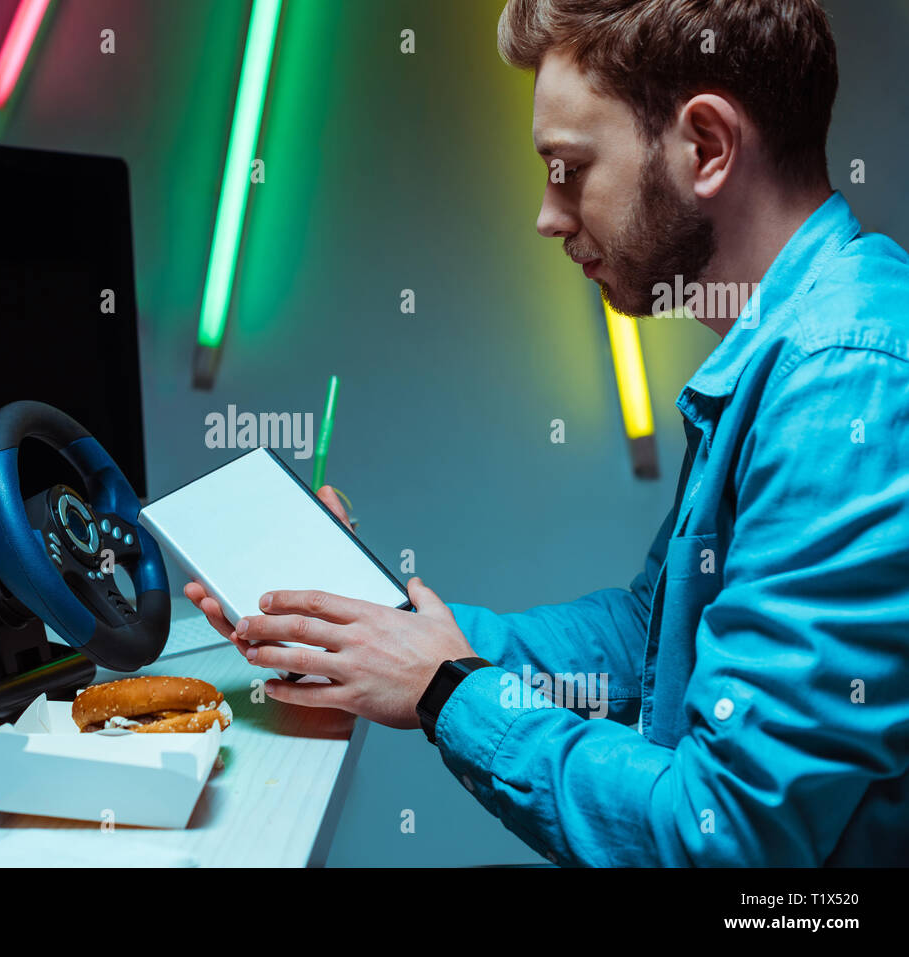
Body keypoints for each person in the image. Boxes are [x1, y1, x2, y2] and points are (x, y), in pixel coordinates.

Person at [185, 0, 909, 866]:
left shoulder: (844, 375)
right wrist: (379, 629)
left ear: (707, 147)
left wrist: (446, 691)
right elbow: (649, 639)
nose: (548, 215)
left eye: (568, 167)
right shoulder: (794, 348)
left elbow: (726, 842)